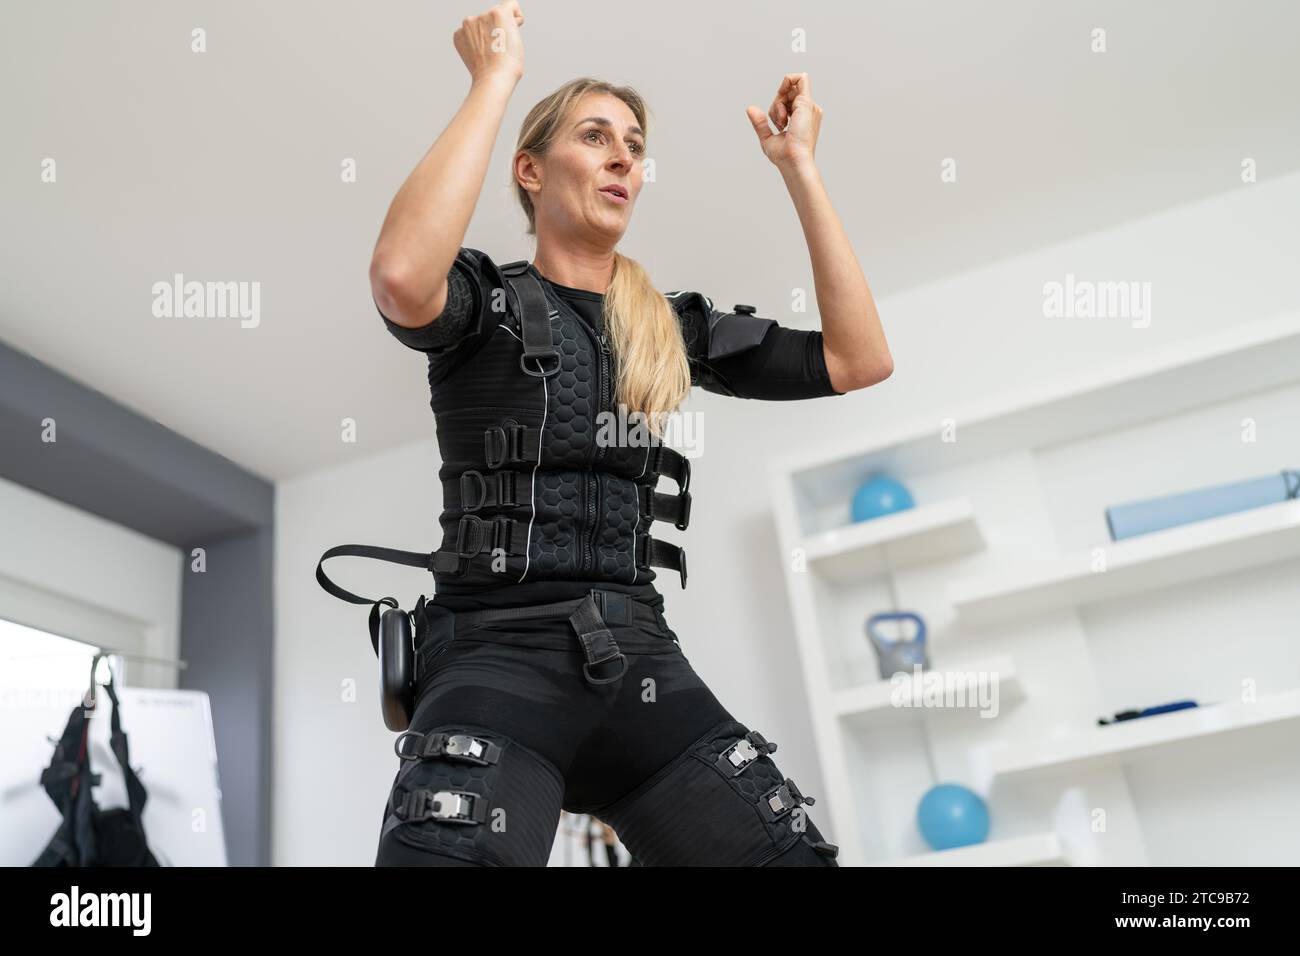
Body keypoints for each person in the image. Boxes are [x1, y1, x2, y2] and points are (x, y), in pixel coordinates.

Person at [363, 0, 891, 866]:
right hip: (494, 664)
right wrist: (495, 79)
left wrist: (800, 169)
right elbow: (398, 275)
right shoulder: (481, 305)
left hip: (640, 662)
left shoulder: (672, 326)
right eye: (596, 136)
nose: (622, 156)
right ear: (530, 170)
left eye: (635, 145)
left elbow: (858, 358)